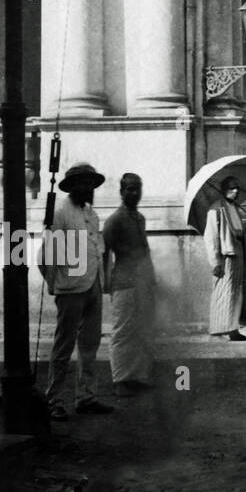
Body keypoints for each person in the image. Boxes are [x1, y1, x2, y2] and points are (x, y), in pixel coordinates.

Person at [45, 162, 114, 421]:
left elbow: (99, 249)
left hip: (93, 285)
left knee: (89, 345)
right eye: (84, 183)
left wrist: (102, 281)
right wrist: (54, 284)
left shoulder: (91, 215)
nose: (90, 189)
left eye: (92, 184)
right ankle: (54, 400)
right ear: (73, 187)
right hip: (70, 288)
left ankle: (86, 397)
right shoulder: (61, 213)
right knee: (63, 346)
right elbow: (48, 253)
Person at [102, 173, 156, 396]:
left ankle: (137, 376)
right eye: (130, 189)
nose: (134, 193)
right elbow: (105, 253)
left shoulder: (140, 219)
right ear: (122, 192)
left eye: (138, 189)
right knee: (122, 331)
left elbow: (144, 251)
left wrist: (151, 277)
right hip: (123, 282)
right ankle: (120, 379)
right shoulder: (114, 220)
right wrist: (105, 282)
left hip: (142, 282)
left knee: (142, 329)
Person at [205, 175, 246, 341]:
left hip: (238, 253)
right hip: (226, 257)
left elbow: (237, 228)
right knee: (223, 292)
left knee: (236, 292)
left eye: (237, 188)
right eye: (231, 188)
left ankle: (233, 329)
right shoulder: (216, 209)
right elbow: (211, 237)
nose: (235, 191)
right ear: (223, 189)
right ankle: (220, 329)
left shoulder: (235, 208)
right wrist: (215, 262)